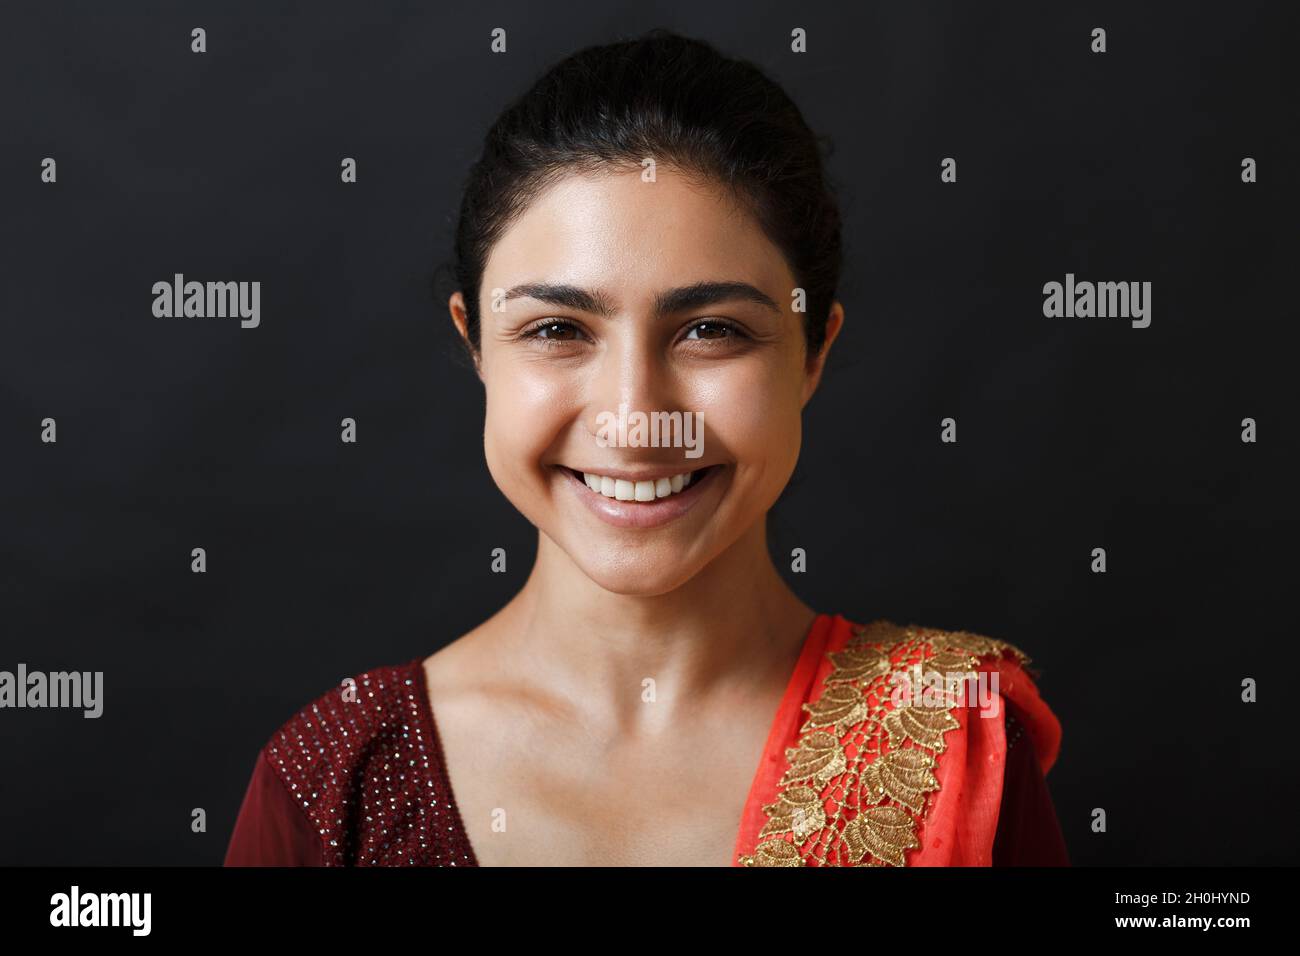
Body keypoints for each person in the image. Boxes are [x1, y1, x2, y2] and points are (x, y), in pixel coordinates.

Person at [225, 28, 1068, 867]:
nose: (635, 420)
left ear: (815, 353)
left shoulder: (955, 733)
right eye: (558, 329)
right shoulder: (336, 783)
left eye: (711, 330)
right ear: (475, 342)